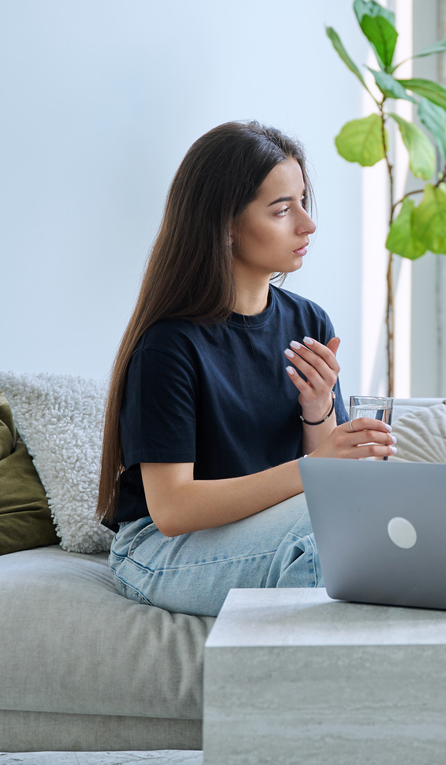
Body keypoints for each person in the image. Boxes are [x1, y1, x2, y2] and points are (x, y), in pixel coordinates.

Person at [96, 121, 395, 617]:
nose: (307, 224)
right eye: (282, 210)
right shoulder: (169, 346)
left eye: (303, 201)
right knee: (326, 540)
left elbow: (324, 488)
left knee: (362, 527)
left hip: (269, 523)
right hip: (161, 547)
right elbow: (172, 510)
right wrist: (313, 468)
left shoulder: (308, 322)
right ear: (227, 226)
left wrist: (318, 413)